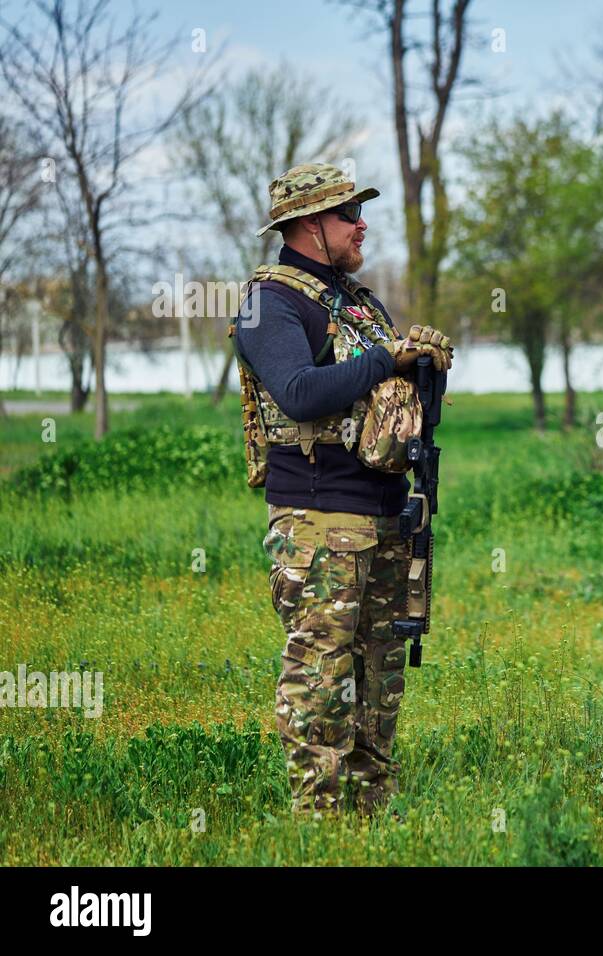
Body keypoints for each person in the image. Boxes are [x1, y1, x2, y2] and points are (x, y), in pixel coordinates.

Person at [233, 162, 452, 814]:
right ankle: (320, 822)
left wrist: (429, 370)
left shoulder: (358, 302)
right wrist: (389, 356)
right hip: (319, 518)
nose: (362, 225)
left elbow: (399, 410)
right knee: (321, 677)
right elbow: (299, 393)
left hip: (385, 513)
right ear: (308, 225)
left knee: (379, 675)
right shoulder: (267, 301)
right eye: (347, 215)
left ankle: (369, 811)